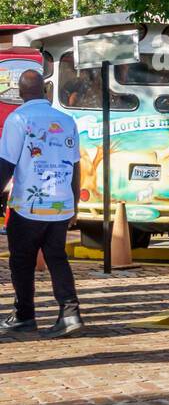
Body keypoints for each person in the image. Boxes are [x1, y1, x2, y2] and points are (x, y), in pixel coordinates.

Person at [0, 69, 84, 337]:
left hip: (29, 205)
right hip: (61, 203)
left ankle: (24, 316)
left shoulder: (19, 119)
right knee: (57, 257)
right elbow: (75, 165)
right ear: (46, 91)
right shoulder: (67, 120)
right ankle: (70, 314)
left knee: (21, 261)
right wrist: (74, 204)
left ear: (21, 93)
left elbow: (6, 164)